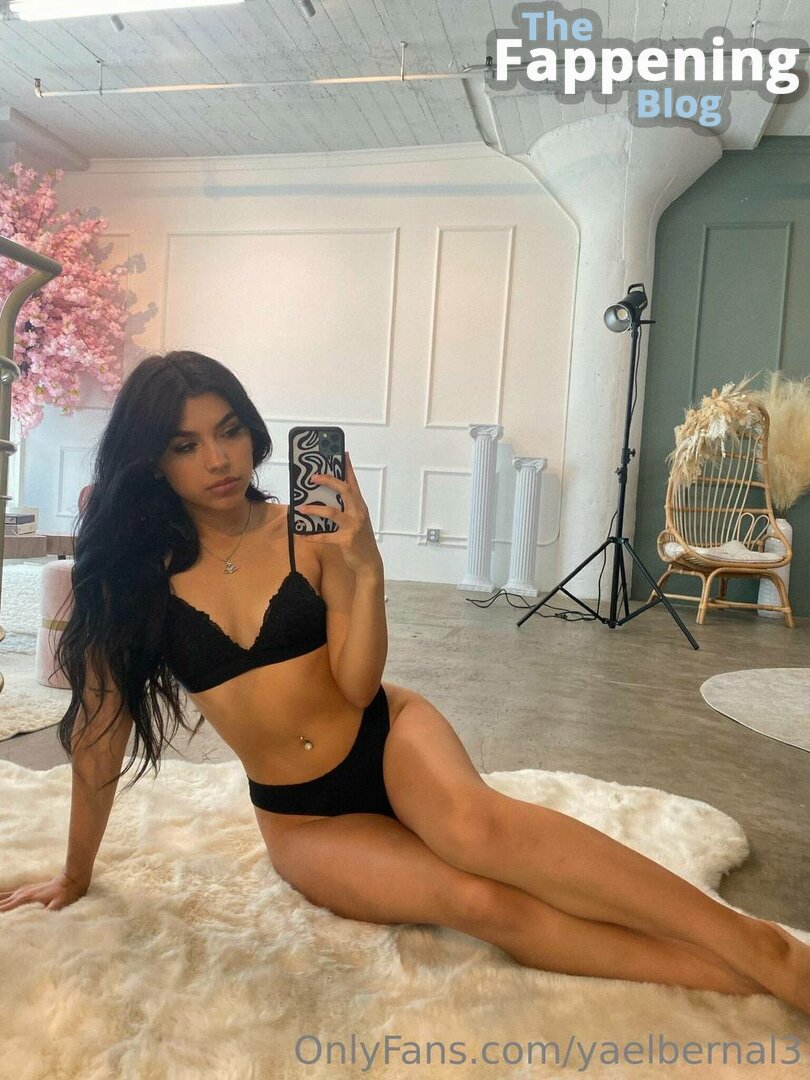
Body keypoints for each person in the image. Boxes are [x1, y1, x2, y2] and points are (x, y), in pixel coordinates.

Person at [0, 350, 807, 1015]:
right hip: (303, 817)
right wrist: (76, 872)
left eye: (231, 431)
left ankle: (764, 949)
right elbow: (100, 734)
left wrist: (366, 566)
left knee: (478, 833)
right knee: (482, 903)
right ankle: (746, 977)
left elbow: (357, 687)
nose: (218, 459)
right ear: (151, 461)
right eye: (185, 445)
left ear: (252, 431)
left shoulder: (309, 533)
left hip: (386, 736)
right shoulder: (134, 580)